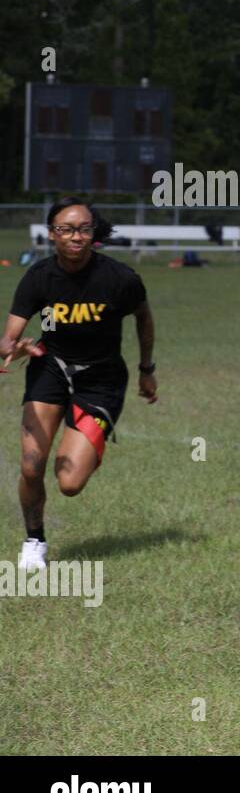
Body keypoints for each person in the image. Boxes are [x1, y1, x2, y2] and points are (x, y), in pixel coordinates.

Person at [1, 197, 158, 570]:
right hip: (50, 368)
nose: (76, 236)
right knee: (30, 466)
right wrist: (16, 348)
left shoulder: (120, 279)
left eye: (84, 229)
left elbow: (144, 319)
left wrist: (146, 368)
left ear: (94, 233)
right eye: (67, 229)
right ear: (52, 234)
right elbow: (8, 338)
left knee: (69, 482)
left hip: (101, 379)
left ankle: (88, 437)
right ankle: (34, 541)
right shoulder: (39, 277)